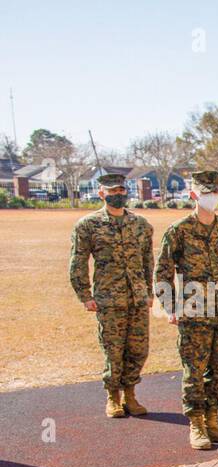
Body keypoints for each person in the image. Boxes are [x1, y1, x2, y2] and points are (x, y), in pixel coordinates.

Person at [154, 170, 218, 450]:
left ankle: (213, 420)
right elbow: (162, 272)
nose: (212, 197)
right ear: (194, 195)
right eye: (206, 193)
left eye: (216, 192)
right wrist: (170, 306)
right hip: (194, 313)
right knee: (194, 370)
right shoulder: (179, 231)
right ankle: (196, 423)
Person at [68, 172, 154, 418]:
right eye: (113, 191)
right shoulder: (88, 225)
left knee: (138, 349)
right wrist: (84, 294)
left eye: (121, 191)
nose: (118, 195)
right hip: (109, 298)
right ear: (101, 193)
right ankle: (113, 397)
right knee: (113, 349)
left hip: (137, 298)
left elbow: (148, 260)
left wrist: (149, 292)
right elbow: (78, 261)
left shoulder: (141, 225)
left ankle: (131, 395)